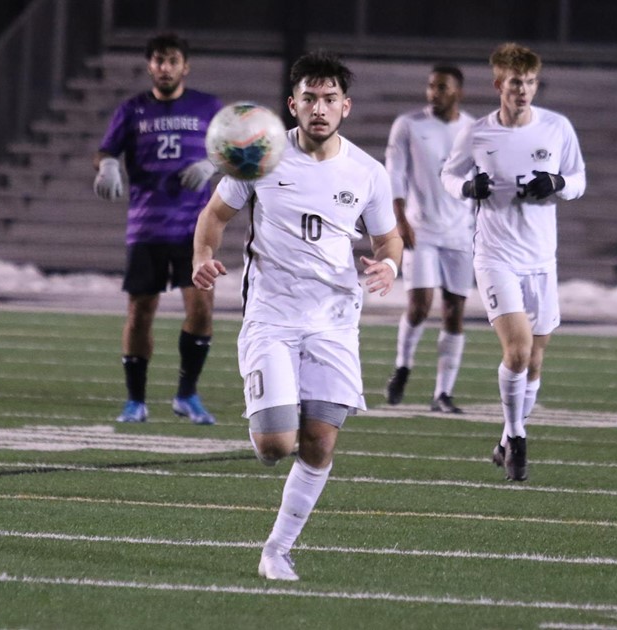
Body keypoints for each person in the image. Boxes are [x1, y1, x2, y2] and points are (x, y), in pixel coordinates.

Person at [192, 51, 402, 581]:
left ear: (345, 107)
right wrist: (202, 256)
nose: (319, 107)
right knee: (274, 446)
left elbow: (389, 237)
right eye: (309, 97)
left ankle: (276, 549)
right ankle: (269, 425)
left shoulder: (366, 171)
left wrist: (390, 267)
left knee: (321, 440)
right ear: (293, 104)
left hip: (333, 320)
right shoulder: (260, 155)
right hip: (272, 317)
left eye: (329, 98)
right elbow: (215, 215)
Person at [441, 42, 586, 481]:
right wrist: (467, 189)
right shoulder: (479, 133)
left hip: (542, 259)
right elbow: (449, 174)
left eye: (530, 82)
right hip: (496, 256)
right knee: (518, 350)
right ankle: (519, 437)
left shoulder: (557, 128)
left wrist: (557, 182)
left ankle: (505, 438)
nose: (523, 90)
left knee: (535, 361)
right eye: (515, 82)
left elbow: (579, 180)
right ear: (498, 83)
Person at [93, 32, 222, 425]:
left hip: (194, 230)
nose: (165, 68)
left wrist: (211, 165)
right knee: (140, 311)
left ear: (186, 65)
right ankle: (136, 401)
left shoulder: (208, 107)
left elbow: (236, 150)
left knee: (201, 309)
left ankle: (187, 394)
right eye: (158, 61)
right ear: (150, 66)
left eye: (172, 60)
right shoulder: (132, 110)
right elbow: (106, 149)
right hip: (146, 226)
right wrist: (107, 165)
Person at [383, 65, 476, 413]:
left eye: (441, 87)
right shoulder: (409, 125)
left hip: (460, 232)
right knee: (419, 306)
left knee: (455, 312)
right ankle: (403, 367)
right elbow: (394, 172)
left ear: (458, 92)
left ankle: (442, 393)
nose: (433, 93)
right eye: (430, 86)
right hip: (420, 228)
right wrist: (400, 218)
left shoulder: (473, 128)